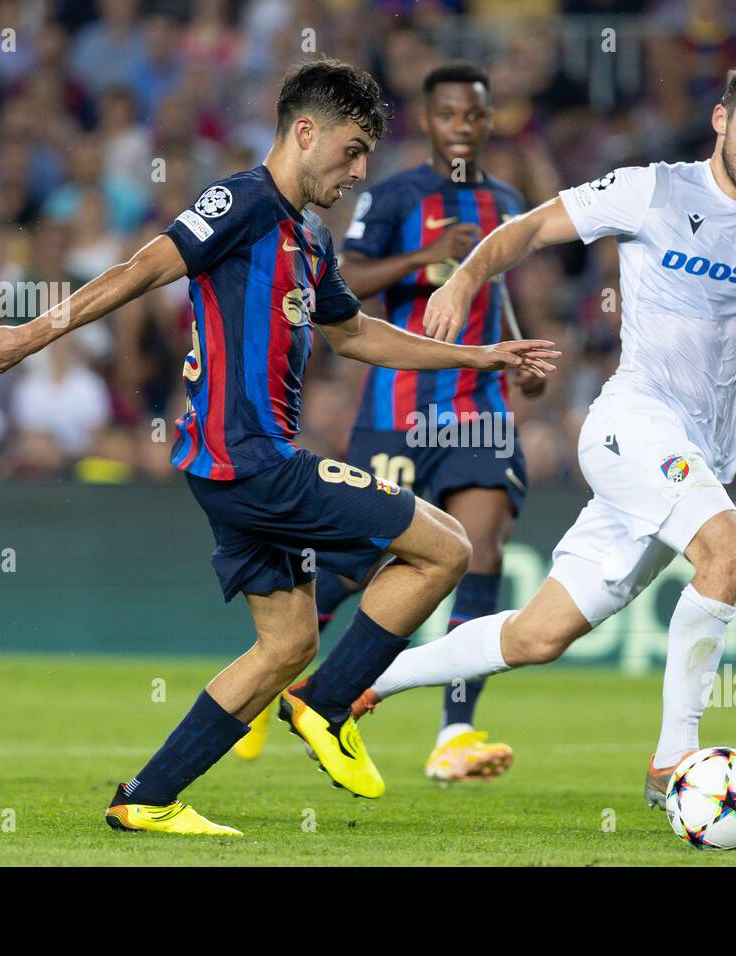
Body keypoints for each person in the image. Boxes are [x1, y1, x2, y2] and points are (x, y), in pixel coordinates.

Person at [339, 60, 736, 809]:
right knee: (731, 551)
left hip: (696, 457)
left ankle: (366, 681)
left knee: (539, 635)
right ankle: (675, 764)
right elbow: (532, 228)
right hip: (630, 426)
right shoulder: (653, 189)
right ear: (723, 121)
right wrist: (468, 277)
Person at [0, 58, 559, 835]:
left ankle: (148, 796)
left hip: (231, 466)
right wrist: (28, 337)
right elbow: (142, 269)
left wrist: (479, 357)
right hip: (254, 461)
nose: (360, 168)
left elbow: (357, 335)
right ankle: (329, 704)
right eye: (351, 148)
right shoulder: (240, 201)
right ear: (305, 133)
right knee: (446, 548)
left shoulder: (309, 234)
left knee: (288, 642)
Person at [237, 61, 539, 783]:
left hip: (476, 409)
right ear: (428, 120)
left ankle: (455, 732)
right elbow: (348, 281)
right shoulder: (394, 194)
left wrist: (514, 349)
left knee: (484, 544)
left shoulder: (507, 201)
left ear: (489, 120)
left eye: (475, 115)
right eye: (448, 116)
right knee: (350, 568)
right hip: (396, 414)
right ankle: (262, 689)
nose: (462, 128)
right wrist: (425, 257)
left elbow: (490, 290)